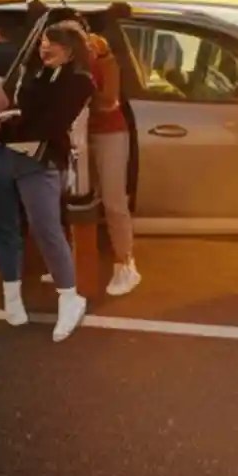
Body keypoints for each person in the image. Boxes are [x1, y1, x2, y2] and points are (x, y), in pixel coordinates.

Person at [0, 21, 95, 342]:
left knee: (46, 228)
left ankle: (70, 298)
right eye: (43, 40)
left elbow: (49, 124)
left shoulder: (80, 82)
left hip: (38, 159)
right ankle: (11, 294)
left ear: (70, 50)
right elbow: (22, 110)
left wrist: (1, 128)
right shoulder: (35, 72)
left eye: (52, 43)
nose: (44, 47)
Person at [86, 30, 140, 295]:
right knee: (77, 199)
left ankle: (125, 262)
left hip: (109, 132)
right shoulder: (64, 65)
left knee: (113, 200)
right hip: (80, 135)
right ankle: (76, 259)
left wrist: (81, 100)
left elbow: (109, 101)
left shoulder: (106, 63)